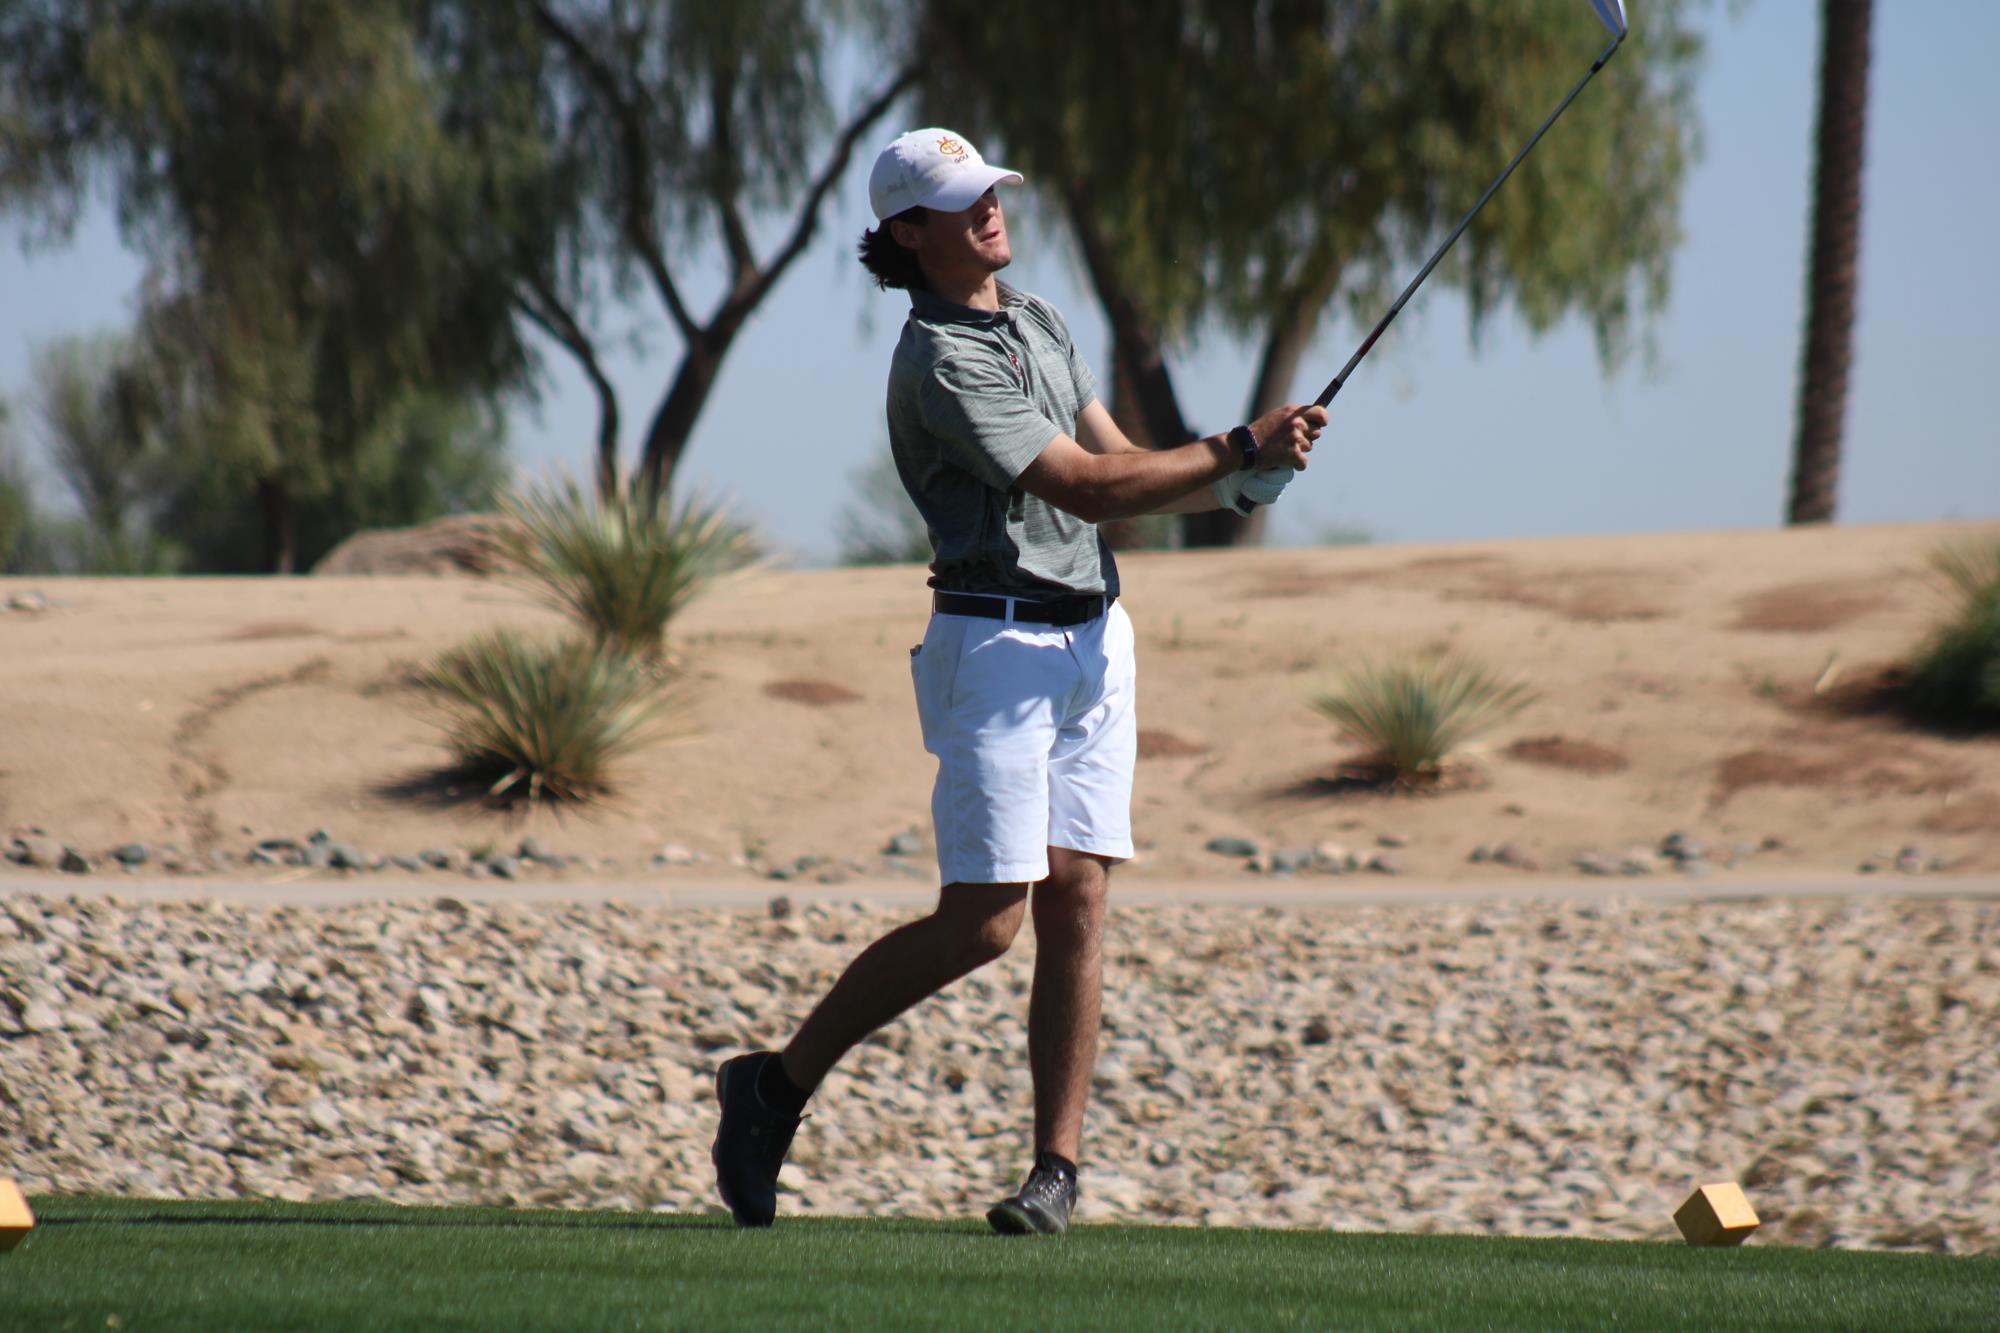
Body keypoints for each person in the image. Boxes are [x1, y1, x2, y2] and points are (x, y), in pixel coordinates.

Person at [711, 127, 1324, 1235]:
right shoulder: (938, 360)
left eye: (989, 190)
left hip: (1094, 639)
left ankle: (1055, 1170)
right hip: (994, 651)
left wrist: (1241, 485)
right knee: (986, 923)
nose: (990, 208)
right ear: (910, 233)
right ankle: (774, 1086)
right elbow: (1085, 487)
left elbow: (1124, 468)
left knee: (1078, 894)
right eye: (963, 201)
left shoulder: (1036, 318)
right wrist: (1237, 445)